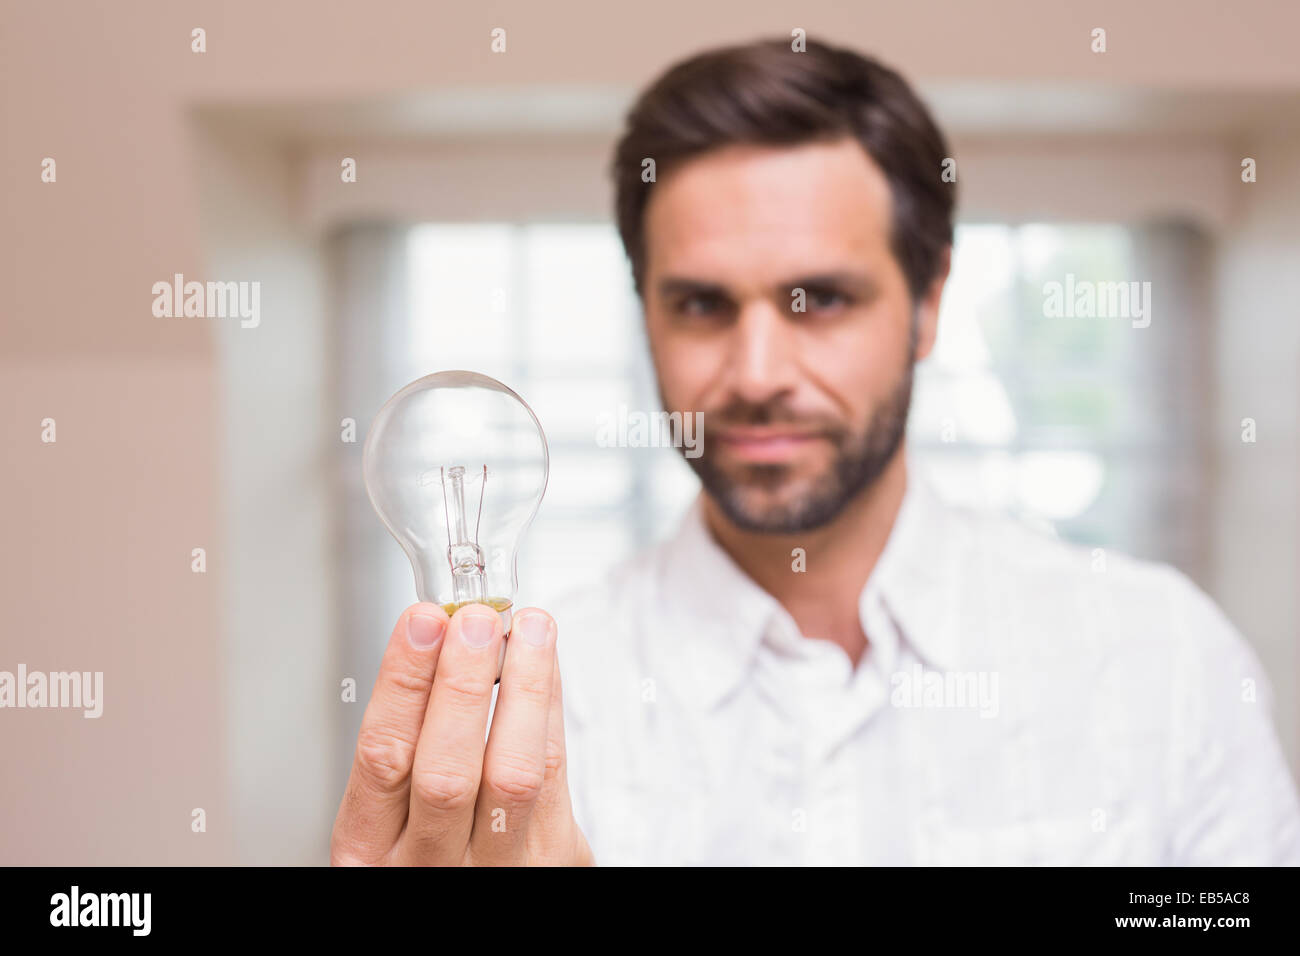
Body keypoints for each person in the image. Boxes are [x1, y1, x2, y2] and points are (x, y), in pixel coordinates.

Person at [330, 37, 1300, 866]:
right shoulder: (524, 727)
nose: (756, 371)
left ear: (926, 303)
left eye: (819, 299)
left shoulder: (1158, 660)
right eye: (701, 304)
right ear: (646, 314)